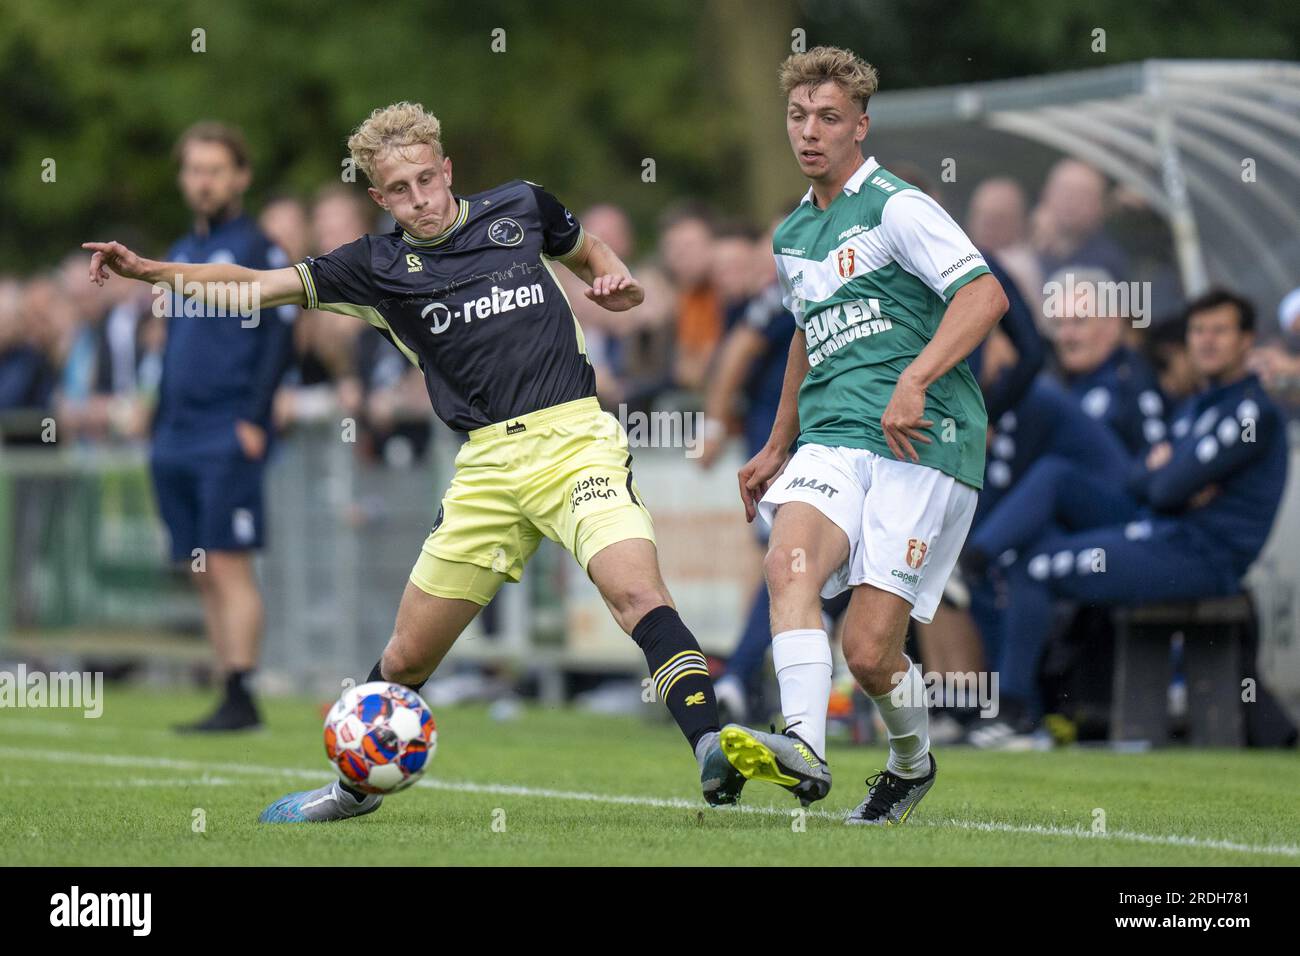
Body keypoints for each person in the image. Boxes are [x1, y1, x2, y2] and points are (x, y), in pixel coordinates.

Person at [85, 101, 761, 820]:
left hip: (575, 443)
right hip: (487, 470)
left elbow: (586, 246)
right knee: (406, 659)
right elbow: (257, 285)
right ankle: (352, 792)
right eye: (398, 192)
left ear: (446, 170)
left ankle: (710, 745)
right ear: (378, 197)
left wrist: (614, 274)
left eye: (425, 181)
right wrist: (153, 271)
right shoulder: (374, 266)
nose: (418, 201)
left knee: (637, 596)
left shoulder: (521, 206)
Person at [729, 47, 1008, 825]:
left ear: (860, 126)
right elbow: (805, 332)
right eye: (797, 117)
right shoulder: (792, 234)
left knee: (871, 653)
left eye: (827, 118)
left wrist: (915, 380)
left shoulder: (895, 206)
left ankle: (911, 763)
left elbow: (984, 296)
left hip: (925, 443)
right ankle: (805, 749)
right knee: (788, 563)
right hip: (832, 437)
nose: (809, 133)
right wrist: (778, 441)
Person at [979, 290, 1289, 738]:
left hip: (1203, 558)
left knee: (1039, 565)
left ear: (1247, 340)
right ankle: (1016, 714)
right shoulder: (1198, 408)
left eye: (1220, 331)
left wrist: (1170, 476)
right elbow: (1145, 480)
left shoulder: (1251, 413)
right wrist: (1174, 478)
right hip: (1164, 537)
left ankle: (1016, 717)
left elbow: (1163, 488)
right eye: (1199, 331)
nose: (1206, 341)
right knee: (1032, 556)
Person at [147, 122, 299, 732]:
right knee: (198, 565)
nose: (203, 181)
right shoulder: (181, 252)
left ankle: (242, 691)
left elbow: (279, 336)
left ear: (240, 177)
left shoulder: (260, 250)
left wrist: (253, 418)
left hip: (226, 429)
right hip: (176, 432)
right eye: (193, 170)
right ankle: (224, 687)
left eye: (215, 169)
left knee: (229, 562)